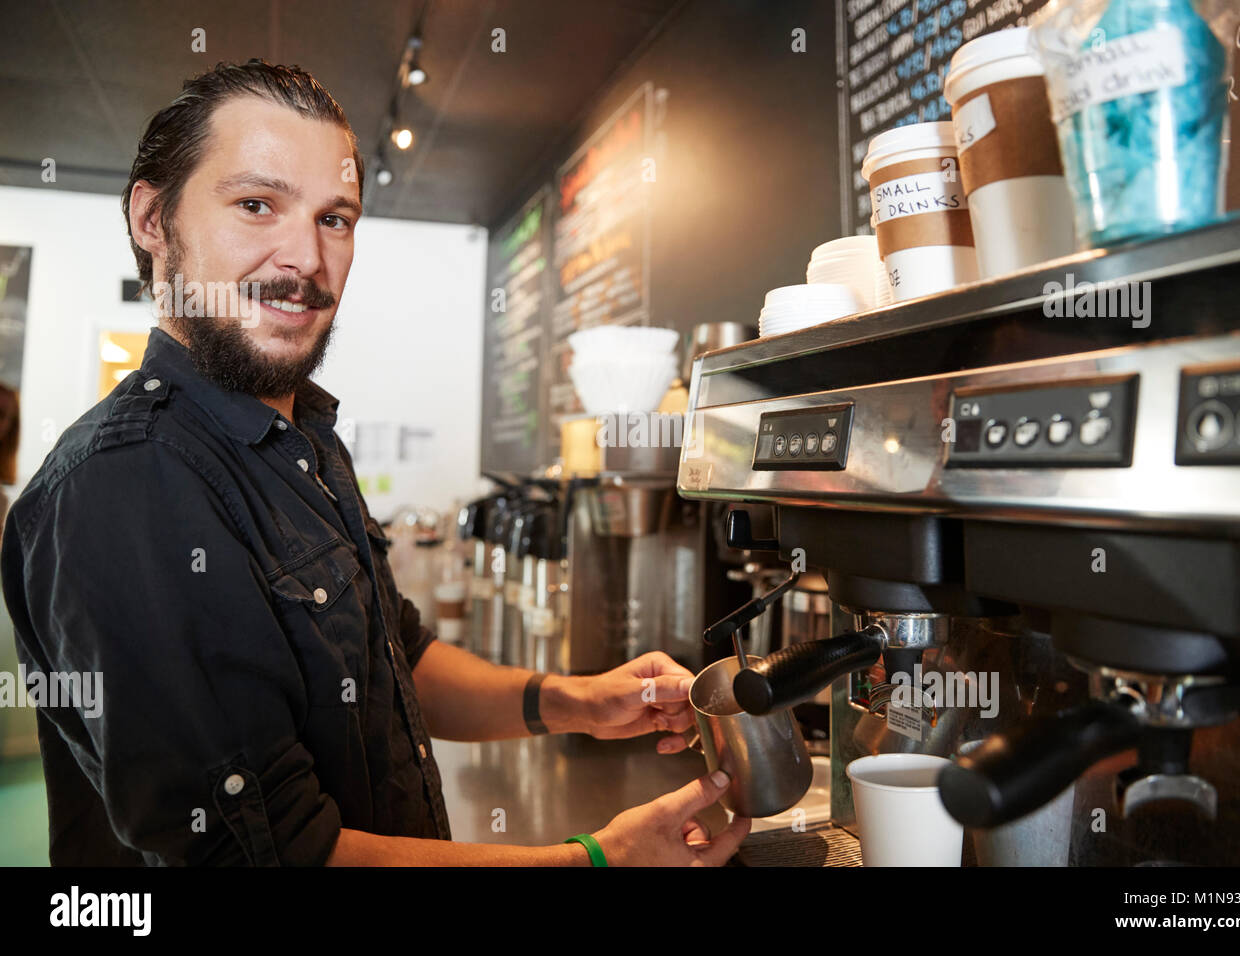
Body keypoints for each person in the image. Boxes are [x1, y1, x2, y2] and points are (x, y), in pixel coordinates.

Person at [0, 60, 750, 866]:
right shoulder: (122, 485)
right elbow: (275, 854)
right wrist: (599, 860)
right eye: (257, 205)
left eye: (336, 218)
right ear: (153, 219)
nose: (304, 259)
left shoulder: (306, 437)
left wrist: (576, 702)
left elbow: (397, 657)